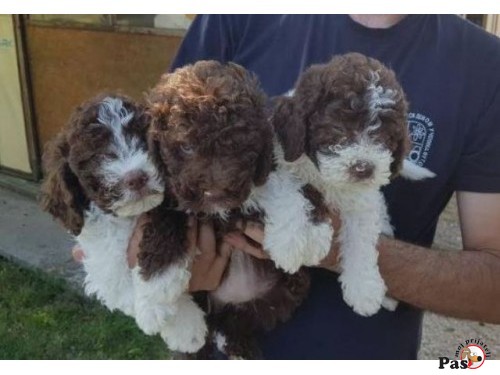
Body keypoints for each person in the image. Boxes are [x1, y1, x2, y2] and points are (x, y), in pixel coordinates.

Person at [75, 15, 500, 359]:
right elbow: (161, 151)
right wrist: (159, 258)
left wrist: (346, 249)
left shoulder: (484, 66)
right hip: (213, 346)